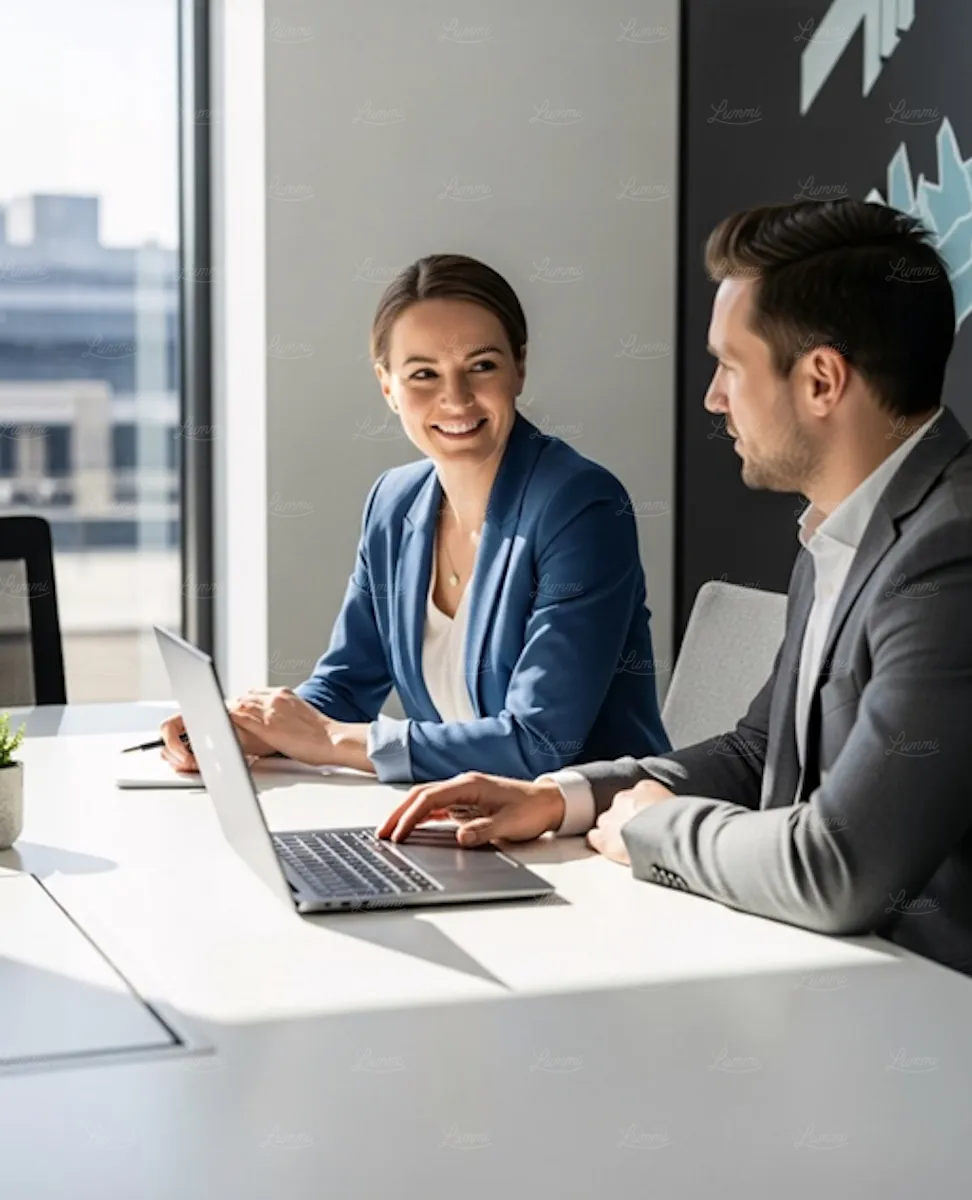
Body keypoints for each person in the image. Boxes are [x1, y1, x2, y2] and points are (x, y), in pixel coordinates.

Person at [378, 200, 972, 976]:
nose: (713, 398)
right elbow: (761, 750)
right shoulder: (844, 528)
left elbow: (841, 867)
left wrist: (656, 831)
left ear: (822, 380)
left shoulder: (947, 556)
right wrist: (560, 799)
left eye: (730, 365)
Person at [161, 254, 669, 783]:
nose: (455, 398)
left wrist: (328, 739)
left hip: (591, 832)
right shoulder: (394, 501)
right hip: (458, 823)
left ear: (519, 366)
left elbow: (540, 741)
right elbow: (343, 688)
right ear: (387, 386)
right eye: (423, 374)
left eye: (482, 366)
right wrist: (247, 729)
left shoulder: (580, 505)